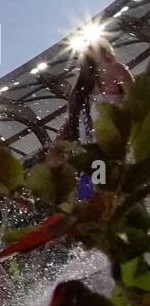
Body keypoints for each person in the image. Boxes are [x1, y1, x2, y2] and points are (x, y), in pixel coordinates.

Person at [54, 35, 134, 200]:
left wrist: (57, 145)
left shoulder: (81, 85)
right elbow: (135, 100)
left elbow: (70, 122)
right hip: (117, 140)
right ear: (106, 51)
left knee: (94, 198)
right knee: (122, 193)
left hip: (93, 148)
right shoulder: (115, 68)